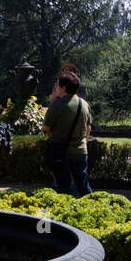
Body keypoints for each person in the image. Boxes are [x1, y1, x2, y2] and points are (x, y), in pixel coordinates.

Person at [42, 69, 93, 197]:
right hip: (81, 152)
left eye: (57, 85)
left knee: (63, 189)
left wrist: (52, 101)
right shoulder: (84, 104)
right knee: (83, 187)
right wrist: (82, 143)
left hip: (60, 152)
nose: (55, 87)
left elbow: (45, 129)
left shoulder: (57, 104)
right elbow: (88, 129)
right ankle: (92, 208)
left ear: (64, 88)